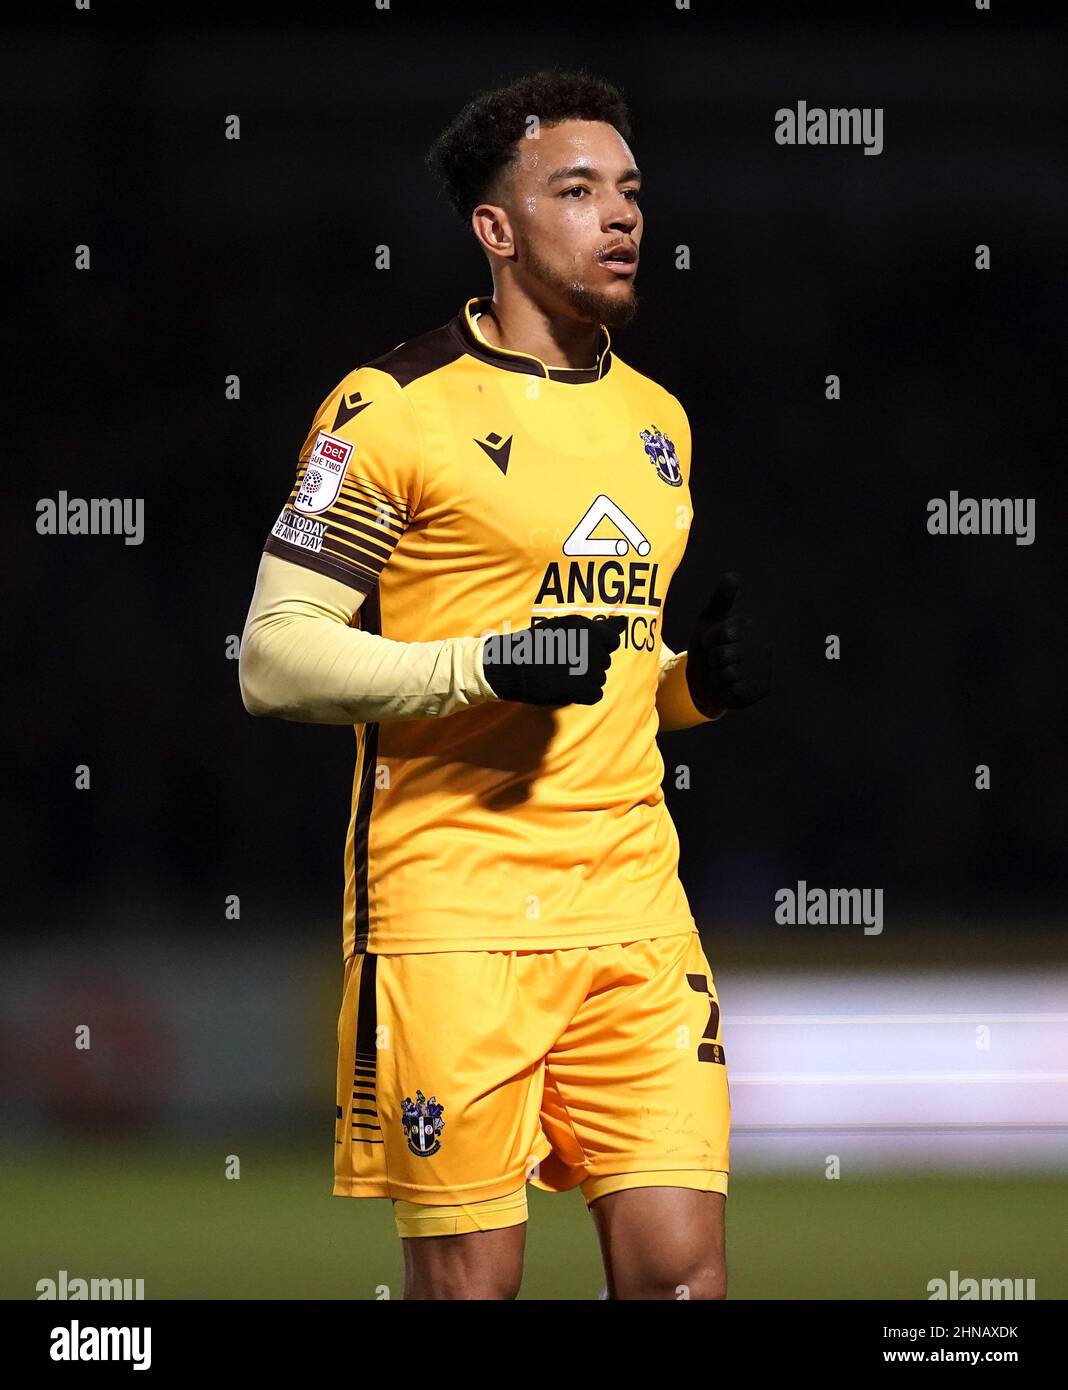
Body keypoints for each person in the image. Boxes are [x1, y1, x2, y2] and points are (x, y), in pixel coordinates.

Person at [239, 68, 770, 1300]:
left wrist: (694, 690)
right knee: (472, 1290)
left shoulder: (660, 424)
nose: (621, 216)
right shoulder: (391, 411)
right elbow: (273, 657)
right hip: (452, 917)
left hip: (635, 910)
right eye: (577, 191)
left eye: (629, 191)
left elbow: (609, 684)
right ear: (498, 230)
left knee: (684, 1279)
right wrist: (482, 664)